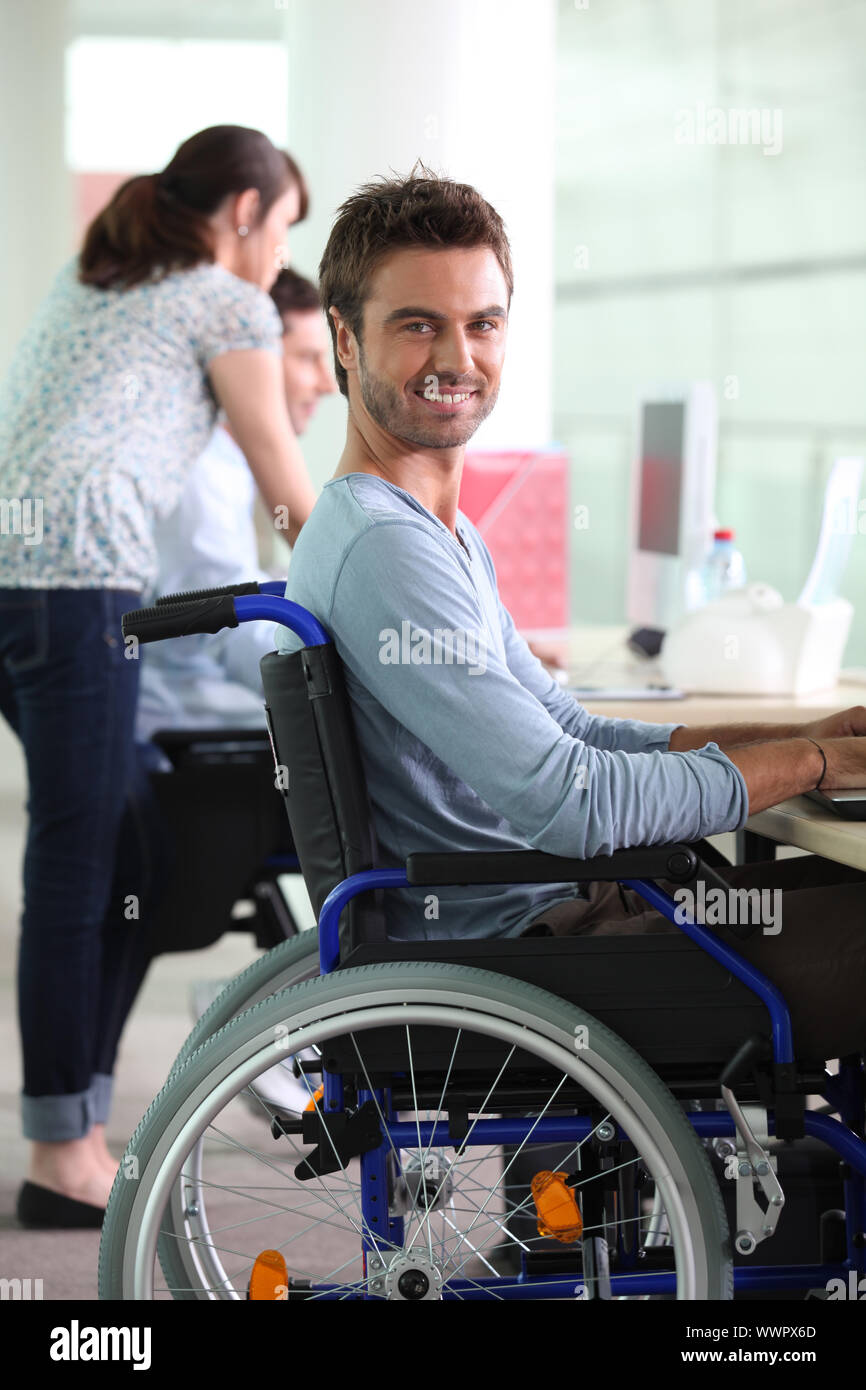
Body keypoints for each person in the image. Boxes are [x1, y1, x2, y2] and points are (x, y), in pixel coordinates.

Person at [276, 168, 866, 1065]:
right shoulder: (385, 548)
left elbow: (572, 731)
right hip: (530, 963)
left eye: (483, 324)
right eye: (418, 325)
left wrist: (798, 737)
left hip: (557, 922)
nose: (457, 359)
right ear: (346, 341)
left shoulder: (433, 532)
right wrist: (813, 764)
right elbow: (571, 804)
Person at [0, 124, 317, 1227]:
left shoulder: (100, 281)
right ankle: (60, 1157)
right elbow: (284, 487)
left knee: (127, 843)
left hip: (19, 585)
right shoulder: (225, 301)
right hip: (77, 589)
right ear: (245, 210)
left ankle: (74, 1121)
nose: (281, 256)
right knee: (77, 864)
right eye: (284, 227)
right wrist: (376, 596)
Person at [136, 268, 336, 742]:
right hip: (184, 723)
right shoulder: (201, 474)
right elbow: (232, 628)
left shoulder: (225, 464)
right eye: (307, 358)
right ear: (256, 361)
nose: (328, 383)